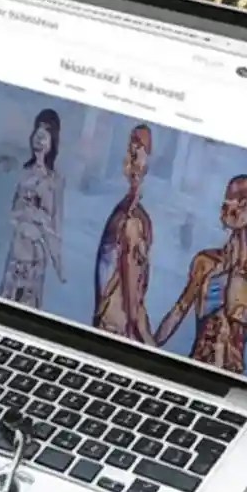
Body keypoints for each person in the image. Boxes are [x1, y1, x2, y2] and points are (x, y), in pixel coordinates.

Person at [154, 174, 247, 384]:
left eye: (242, 200)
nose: (232, 205)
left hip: (230, 380)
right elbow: (179, 311)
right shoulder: (205, 263)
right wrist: (147, 348)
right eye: (230, 197)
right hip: (194, 370)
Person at [93, 124, 155, 342]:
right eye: (131, 146)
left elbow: (134, 303)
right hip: (109, 326)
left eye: (139, 148)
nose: (131, 153)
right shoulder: (124, 213)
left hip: (117, 330)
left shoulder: (135, 221)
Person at [0, 109, 66, 308]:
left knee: (28, 306)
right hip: (16, 254)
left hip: (36, 257)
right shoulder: (24, 173)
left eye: (46, 131)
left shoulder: (55, 181)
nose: (40, 136)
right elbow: (12, 213)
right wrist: (24, 216)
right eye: (38, 129)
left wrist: (58, 263)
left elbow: (55, 225)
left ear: (53, 140)